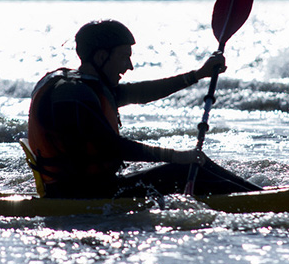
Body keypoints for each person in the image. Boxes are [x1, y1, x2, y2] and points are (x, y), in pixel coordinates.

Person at [27, 19, 261, 199]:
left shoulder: (84, 85)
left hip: (93, 187)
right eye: (124, 57)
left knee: (196, 164)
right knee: (188, 168)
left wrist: (197, 75)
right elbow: (110, 147)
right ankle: (261, 201)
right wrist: (175, 156)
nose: (130, 66)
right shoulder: (71, 95)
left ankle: (257, 195)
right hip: (81, 195)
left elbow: (142, 93)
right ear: (101, 57)